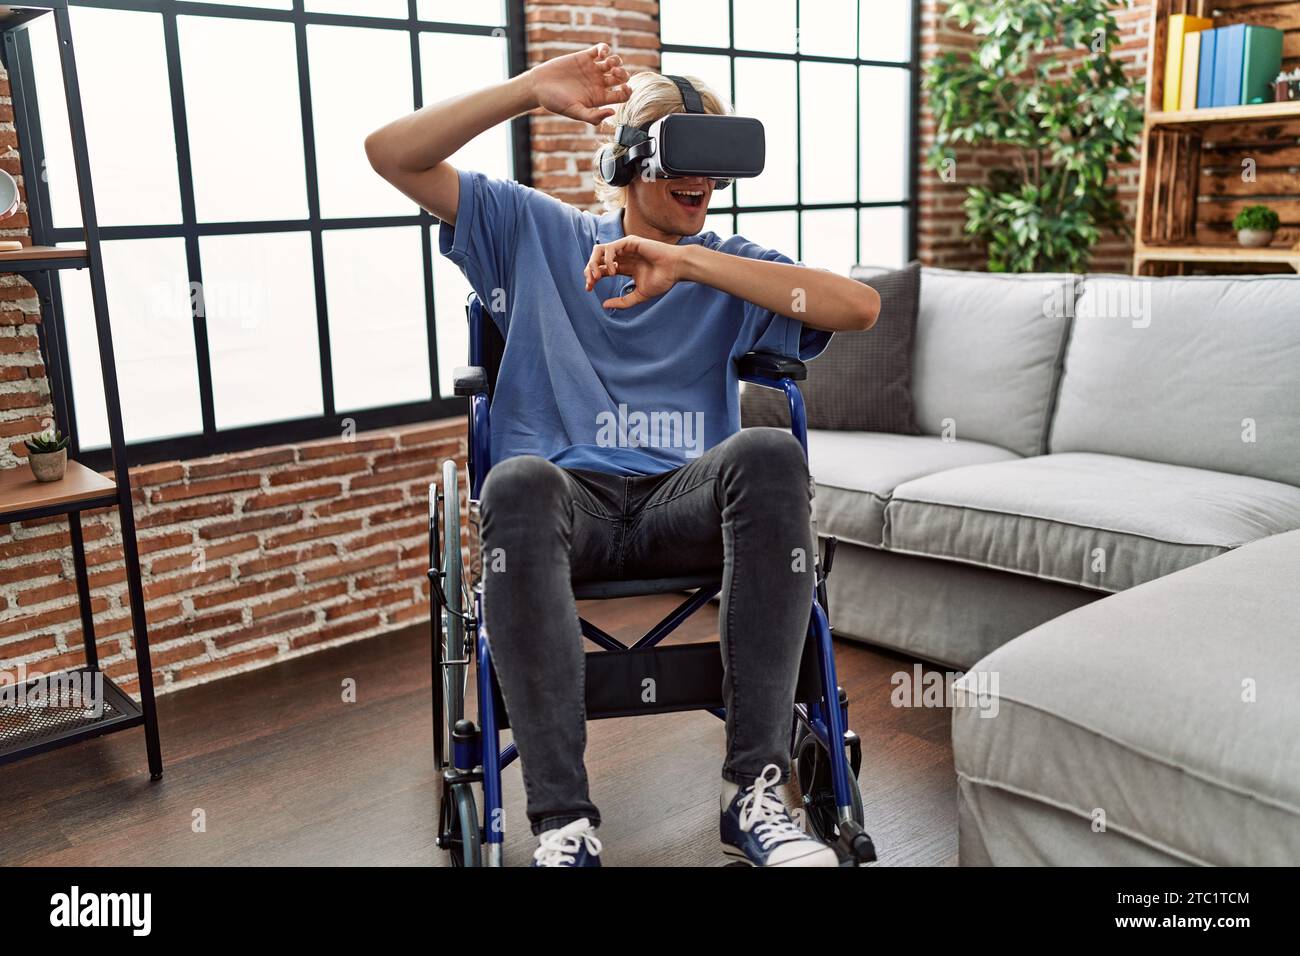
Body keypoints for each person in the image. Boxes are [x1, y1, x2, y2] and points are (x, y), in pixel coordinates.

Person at [366, 43, 879, 867]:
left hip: (685, 504)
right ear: (630, 161)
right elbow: (390, 153)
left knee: (769, 452)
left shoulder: (729, 266)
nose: (705, 183)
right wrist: (528, 91)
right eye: (687, 159)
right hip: (567, 507)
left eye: (719, 166)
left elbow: (858, 308)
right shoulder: (533, 232)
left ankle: (753, 794)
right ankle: (563, 823)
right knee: (520, 479)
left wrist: (688, 263)